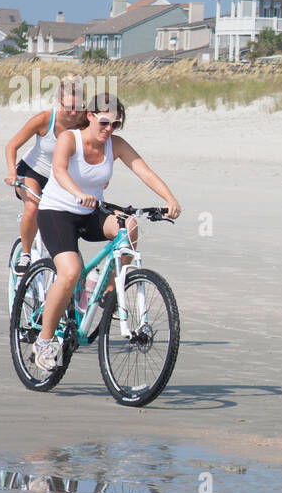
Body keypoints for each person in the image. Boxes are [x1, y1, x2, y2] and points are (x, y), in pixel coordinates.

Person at [31, 93, 181, 372]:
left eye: (115, 124)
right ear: (89, 116)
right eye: (104, 123)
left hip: (90, 213)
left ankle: (109, 288)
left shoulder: (115, 145)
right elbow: (60, 171)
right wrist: (78, 193)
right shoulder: (70, 139)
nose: (108, 130)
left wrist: (170, 200)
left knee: (129, 225)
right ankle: (45, 340)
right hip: (57, 212)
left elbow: (144, 171)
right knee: (70, 272)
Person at [3, 75, 89, 272]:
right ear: (59, 103)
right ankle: (25, 253)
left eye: (79, 107)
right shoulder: (44, 119)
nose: (74, 113)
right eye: (69, 107)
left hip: (59, 179)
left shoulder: (83, 123)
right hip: (32, 172)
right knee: (33, 209)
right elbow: (11, 146)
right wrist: (11, 171)